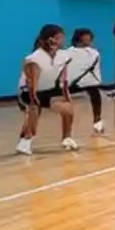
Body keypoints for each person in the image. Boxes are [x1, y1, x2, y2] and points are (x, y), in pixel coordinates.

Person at [15, 24, 76, 155]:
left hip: (47, 91)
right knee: (35, 110)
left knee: (68, 109)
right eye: (60, 38)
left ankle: (67, 138)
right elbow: (32, 85)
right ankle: (26, 141)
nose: (63, 41)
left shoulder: (63, 56)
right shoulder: (34, 59)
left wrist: (66, 95)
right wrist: (34, 102)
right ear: (51, 40)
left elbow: (63, 76)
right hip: (28, 92)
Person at [64, 28, 105, 134]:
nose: (88, 39)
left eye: (89, 36)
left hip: (89, 83)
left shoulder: (94, 53)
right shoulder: (67, 52)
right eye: (85, 36)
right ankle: (67, 131)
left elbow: (95, 71)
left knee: (95, 94)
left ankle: (97, 120)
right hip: (70, 83)